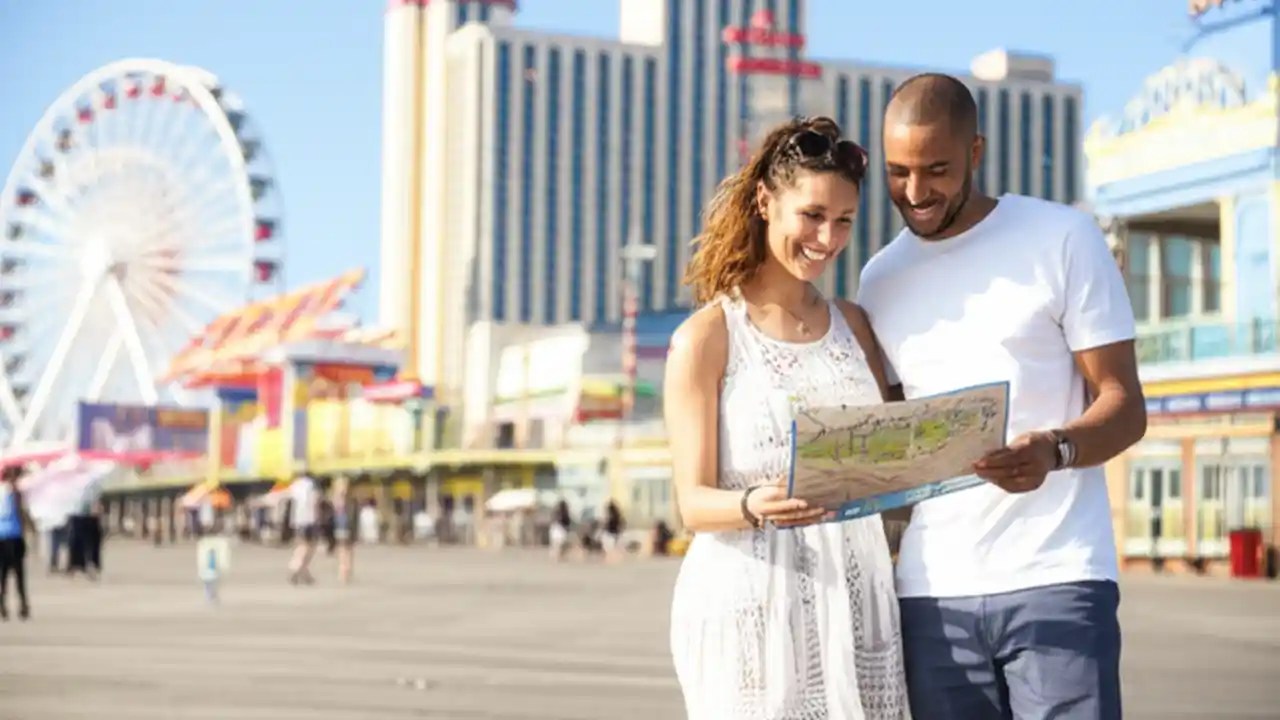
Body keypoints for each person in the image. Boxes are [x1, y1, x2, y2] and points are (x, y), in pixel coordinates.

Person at [856, 73, 1147, 720]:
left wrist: (1056, 448)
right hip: (931, 593)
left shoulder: (1062, 238)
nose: (915, 192)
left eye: (937, 170)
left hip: (1058, 574)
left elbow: (1125, 405)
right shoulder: (879, 278)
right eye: (899, 172)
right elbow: (895, 444)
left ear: (976, 153)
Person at [665, 116, 909, 719]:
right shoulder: (708, 337)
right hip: (751, 606)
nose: (827, 238)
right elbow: (692, 503)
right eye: (812, 215)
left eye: (845, 221)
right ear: (765, 201)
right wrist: (754, 504)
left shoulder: (856, 326)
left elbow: (889, 464)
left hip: (858, 609)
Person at [0, 466, 33, 620]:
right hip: (13, 536)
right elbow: (21, 513)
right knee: (19, 574)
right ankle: (23, 605)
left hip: (3, 536)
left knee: (3, 575)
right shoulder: (14, 493)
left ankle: (3, 604)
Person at [286, 472, 320, 585]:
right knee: (309, 547)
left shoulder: (295, 485)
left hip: (297, 520)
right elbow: (315, 501)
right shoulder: (312, 485)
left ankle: (302, 571)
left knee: (301, 546)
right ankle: (297, 568)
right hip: (309, 519)